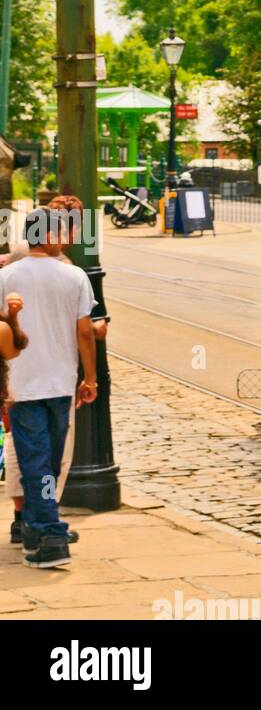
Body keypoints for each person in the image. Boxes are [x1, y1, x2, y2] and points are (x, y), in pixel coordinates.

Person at [0, 196, 97, 570]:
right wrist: (89, 378)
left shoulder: (7, 276)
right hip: (59, 382)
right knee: (47, 463)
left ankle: (38, 529)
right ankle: (48, 533)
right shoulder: (74, 276)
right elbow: (85, 334)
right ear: (51, 236)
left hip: (23, 384)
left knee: (40, 462)